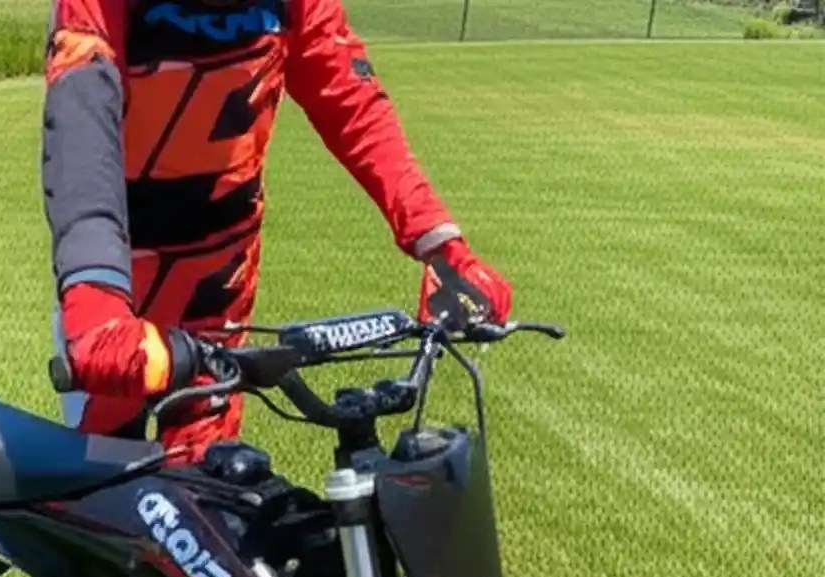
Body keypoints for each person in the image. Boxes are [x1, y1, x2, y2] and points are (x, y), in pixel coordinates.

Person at [42, 0, 513, 461]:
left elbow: (353, 103)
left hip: (217, 285)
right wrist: (94, 293)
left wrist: (440, 242)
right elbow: (81, 124)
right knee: (98, 488)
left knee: (211, 491)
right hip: (118, 284)